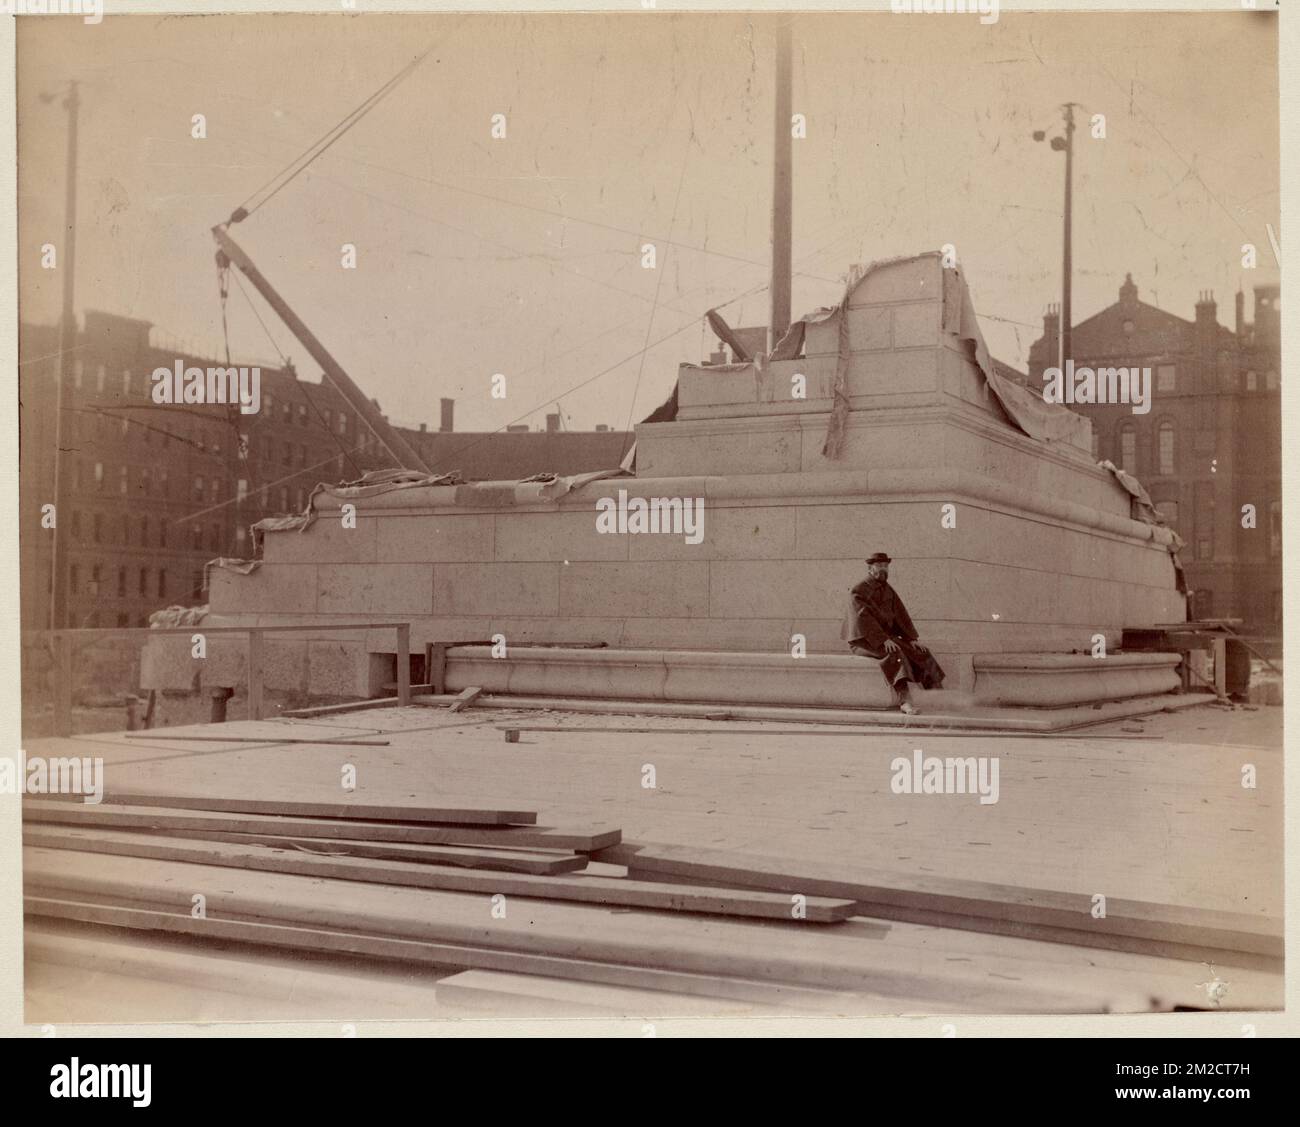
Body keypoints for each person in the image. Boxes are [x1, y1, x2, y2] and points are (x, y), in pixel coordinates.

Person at [842, 552, 945, 714]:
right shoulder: (858, 590)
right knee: (894, 653)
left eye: (886, 566)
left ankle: (937, 695)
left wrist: (911, 639)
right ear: (870, 568)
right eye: (879, 566)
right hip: (863, 641)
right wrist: (882, 639)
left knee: (920, 652)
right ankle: (904, 702)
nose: (884, 569)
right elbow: (863, 619)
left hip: (885, 638)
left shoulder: (888, 590)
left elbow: (900, 615)